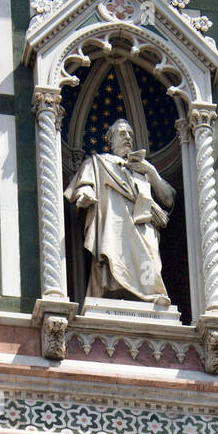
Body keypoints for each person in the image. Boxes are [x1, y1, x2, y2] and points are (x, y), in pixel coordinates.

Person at [65, 118, 175, 307]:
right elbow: (84, 185)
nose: (128, 138)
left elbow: (168, 199)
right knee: (112, 251)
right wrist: (86, 195)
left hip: (143, 225)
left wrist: (152, 172)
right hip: (114, 222)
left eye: (131, 135)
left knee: (150, 256)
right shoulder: (98, 162)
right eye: (122, 133)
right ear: (110, 139)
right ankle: (111, 292)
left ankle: (151, 293)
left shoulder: (144, 169)